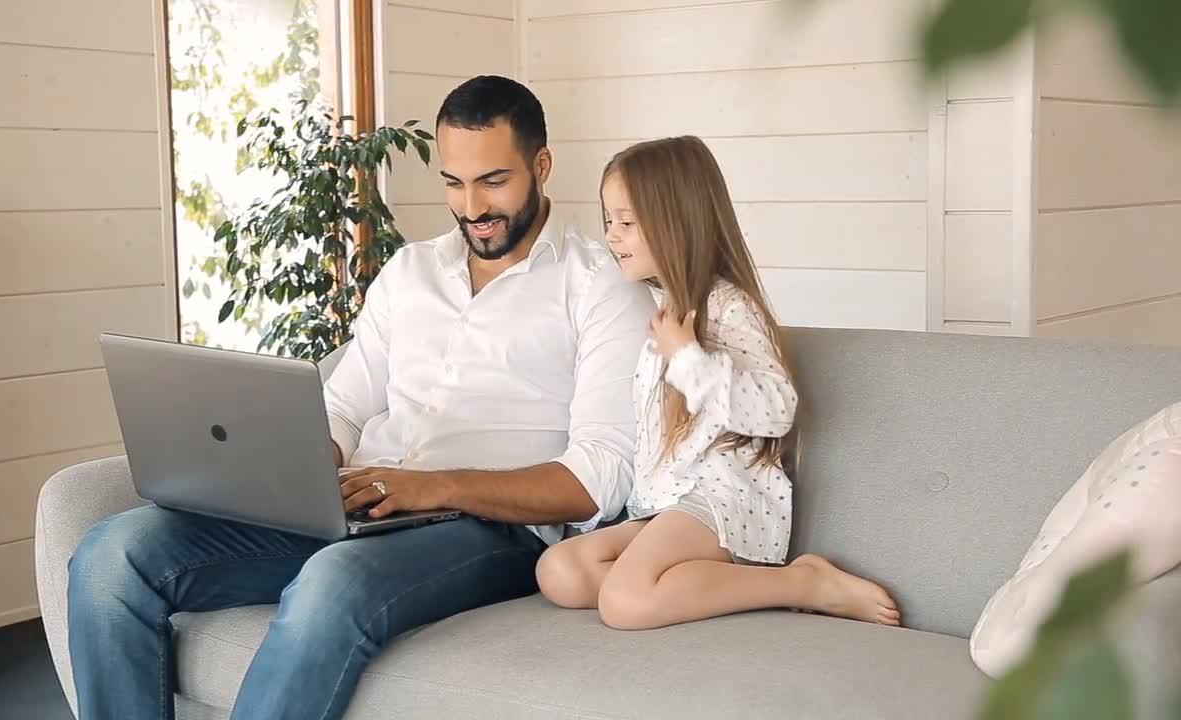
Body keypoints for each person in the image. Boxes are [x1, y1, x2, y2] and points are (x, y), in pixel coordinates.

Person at [65, 75, 656, 719]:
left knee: (331, 581)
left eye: (493, 181)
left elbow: (602, 475)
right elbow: (344, 403)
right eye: (453, 183)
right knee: (110, 557)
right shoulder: (410, 272)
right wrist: (305, 463)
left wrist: (437, 487)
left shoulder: (600, 287)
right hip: (369, 505)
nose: (472, 207)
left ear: (541, 165)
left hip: (496, 532)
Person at [534, 136, 902, 630]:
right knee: (560, 570)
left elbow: (776, 409)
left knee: (624, 602)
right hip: (667, 502)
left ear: (675, 223)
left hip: (721, 501)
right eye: (608, 221)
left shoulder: (728, 308)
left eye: (626, 222)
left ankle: (805, 583)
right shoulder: (662, 311)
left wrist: (688, 359)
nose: (611, 236)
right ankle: (688, 584)